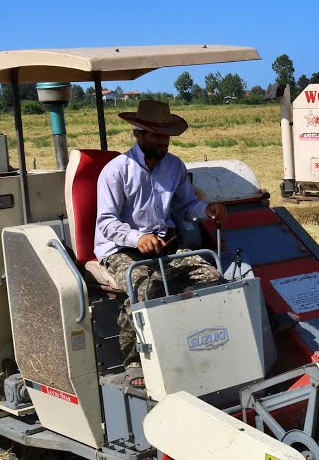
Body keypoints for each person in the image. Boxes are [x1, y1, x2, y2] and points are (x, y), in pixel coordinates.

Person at [94, 99, 228, 387]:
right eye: (157, 135)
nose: (164, 141)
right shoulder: (116, 171)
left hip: (163, 244)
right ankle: (133, 361)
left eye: (166, 135)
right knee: (144, 288)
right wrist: (137, 237)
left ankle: (187, 342)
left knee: (212, 276)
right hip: (120, 248)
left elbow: (185, 206)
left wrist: (206, 210)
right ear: (137, 135)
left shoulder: (175, 167)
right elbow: (106, 223)